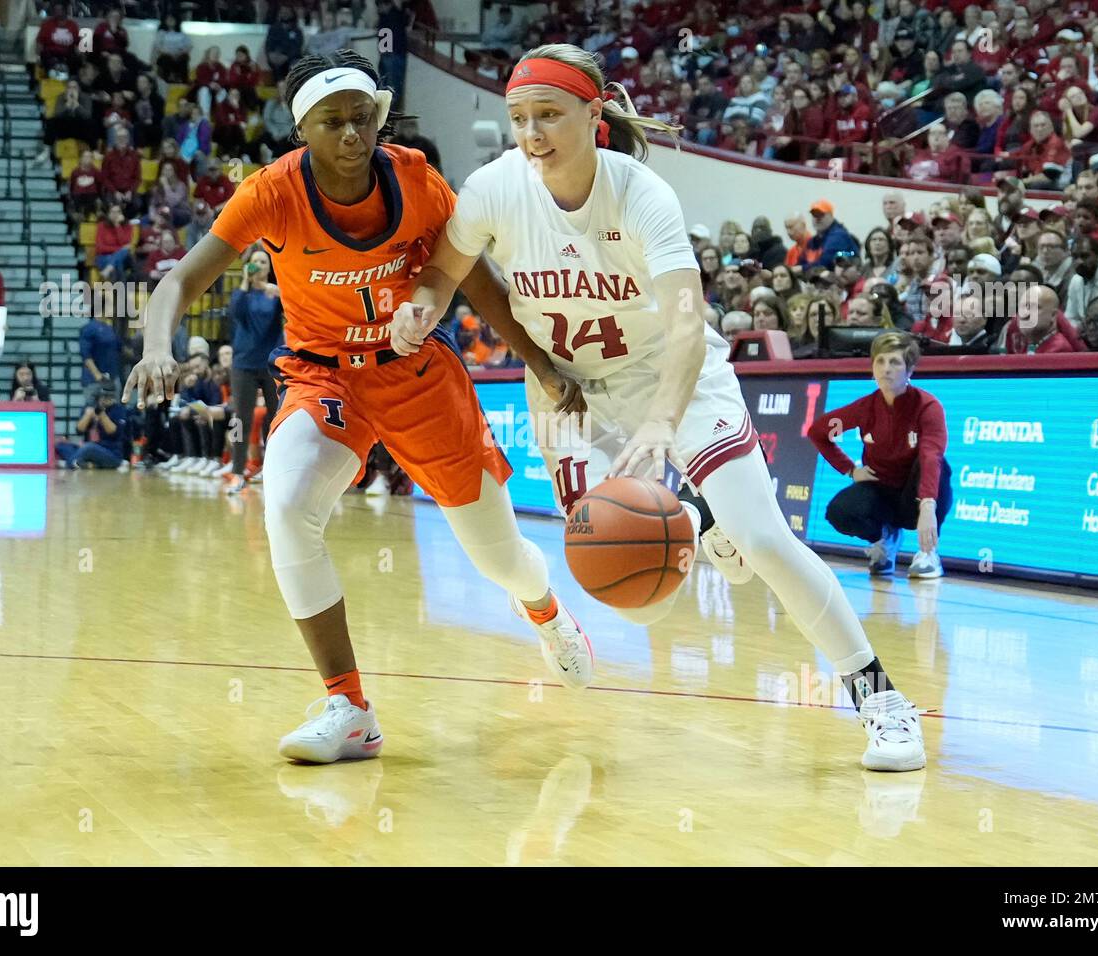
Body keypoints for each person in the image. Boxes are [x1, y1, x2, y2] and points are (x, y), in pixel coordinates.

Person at [394, 43, 926, 772]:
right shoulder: (492, 189)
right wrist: (419, 309)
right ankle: (706, 524)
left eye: (548, 115)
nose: (532, 134)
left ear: (594, 110)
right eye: (519, 118)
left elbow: (684, 324)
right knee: (632, 590)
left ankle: (882, 700)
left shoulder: (641, 193)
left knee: (766, 544)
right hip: (571, 391)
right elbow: (441, 275)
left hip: (676, 375)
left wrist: (657, 423)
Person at [123, 51, 595, 767]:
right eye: (331, 122)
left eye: (361, 118)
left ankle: (548, 615)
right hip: (324, 379)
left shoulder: (415, 178)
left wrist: (540, 362)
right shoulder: (270, 192)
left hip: (416, 375)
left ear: (377, 118)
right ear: (301, 130)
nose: (350, 133)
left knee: (498, 558)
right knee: (284, 505)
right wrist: (157, 344)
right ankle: (350, 708)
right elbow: (180, 278)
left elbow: (478, 281)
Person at [810, 332, 951, 578]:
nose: (886, 369)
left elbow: (931, 457)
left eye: (895, 362)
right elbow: (818, 431)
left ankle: (928, 552)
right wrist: (850, 470)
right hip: (882, 491)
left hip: (916, 495)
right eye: (880, 362)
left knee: (936, 465)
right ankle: (886, 538)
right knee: (839, 512)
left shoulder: (928, 407)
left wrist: (928, 507)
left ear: (909, 371)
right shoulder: (865, 408)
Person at [226, 248, 283, 495]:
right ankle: (238, 472)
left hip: (270, 364)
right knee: (241, 418)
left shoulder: (275, 294)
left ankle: (274, 471)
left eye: (263, 261)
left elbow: (294, 309)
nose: (258, 265)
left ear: (269, 268)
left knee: (277, 418)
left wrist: (280, 293)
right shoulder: (242, 295)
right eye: (254, 261)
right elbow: (235, 312)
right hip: (243, 365)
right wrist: (245, 281)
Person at [56, 379, 130, 470]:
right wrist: (88, 415)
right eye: (104, 397)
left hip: (110, 452)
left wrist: (101, 414)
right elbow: (79, 430)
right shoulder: (89, 406)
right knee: (62, 446)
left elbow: (113, 432)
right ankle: (89, 464)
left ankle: (71, 463)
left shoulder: (118, 410)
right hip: (87, 447)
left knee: (89, 448)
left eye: (109, 397)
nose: (106, 399)